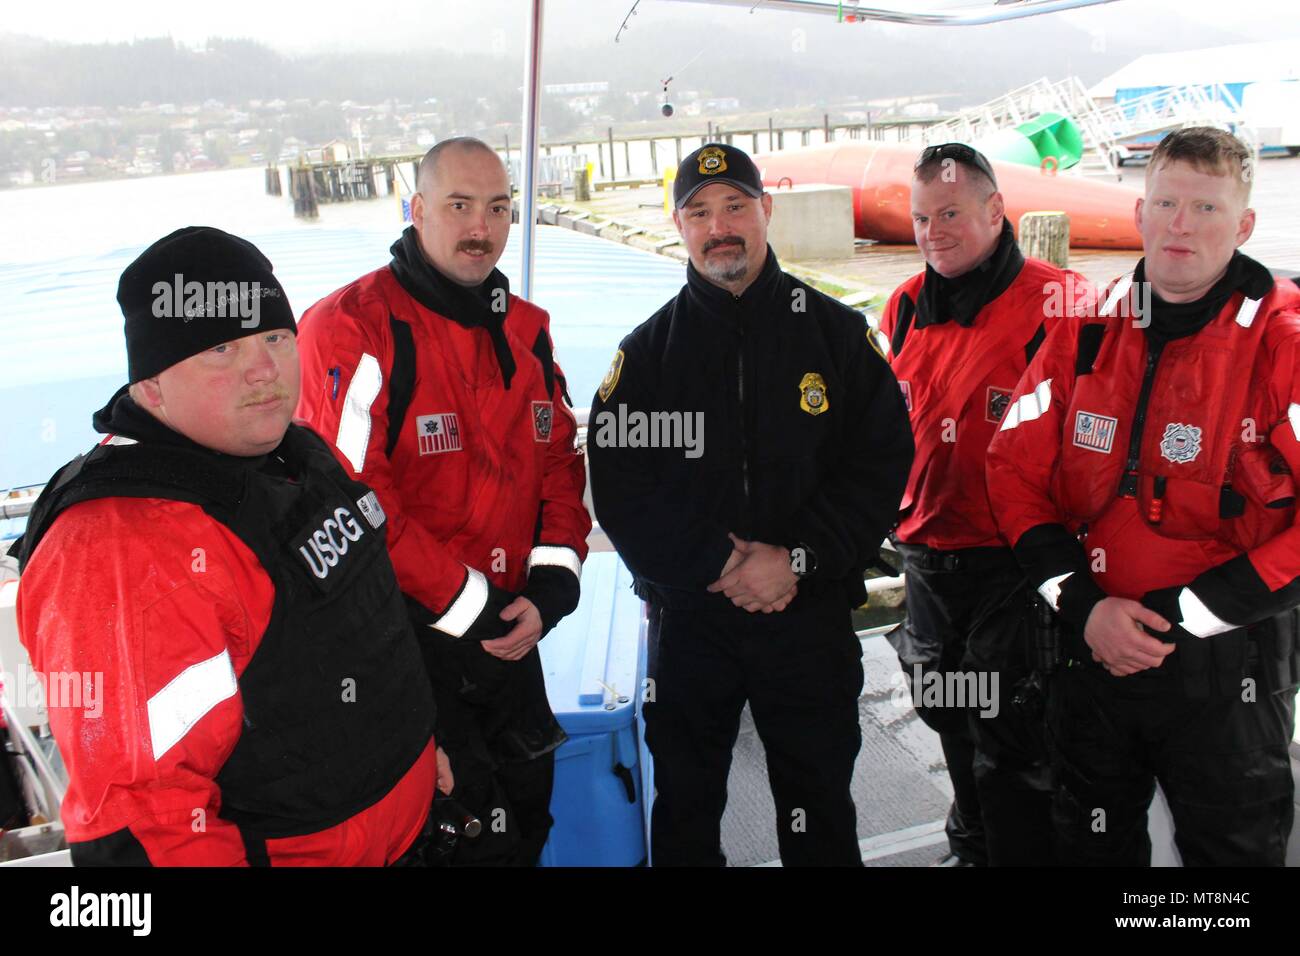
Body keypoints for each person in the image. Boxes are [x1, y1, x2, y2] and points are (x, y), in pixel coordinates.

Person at [15, 226, 447, 865]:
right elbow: (145, 825)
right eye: (222, 347)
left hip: (410, 833)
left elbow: (353, 626)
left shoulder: (294, 452)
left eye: (275, 336)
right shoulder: (124, 547)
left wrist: (415, 755)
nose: (266, 370)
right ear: (152, 383)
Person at [588, 142, 913, 866]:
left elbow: (880, 465)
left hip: (810, 616)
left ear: (766, 210)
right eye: (700, 212)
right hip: (693, 621)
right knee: (688, 807)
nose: (720, 226)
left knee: (819, 804)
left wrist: (795, 558)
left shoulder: (838, 337)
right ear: (679, 225)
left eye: (735, 205)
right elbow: (622, 490)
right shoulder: (644, 358)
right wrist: (719, 563)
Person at [987, 126, 1300, 866]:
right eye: (1166, 202)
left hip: (1230, 674)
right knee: (1091, 842)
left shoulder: (1285, 346)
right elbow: (1011, 473)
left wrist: (1175, 619)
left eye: (1206, 208)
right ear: (1139, 213)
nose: (1181, 225)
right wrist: (1085, 607)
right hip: (1088, 654)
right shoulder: (1084, 330)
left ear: (1245, 224)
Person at [295, 137, 590, 866]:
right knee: (450, 844)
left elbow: (557, 459)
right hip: (406, 651)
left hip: (511, 638)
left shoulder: (528, 330)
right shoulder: (350, 328)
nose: (480, 228)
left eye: (497, 208)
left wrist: (552, 587)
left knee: (529, 821)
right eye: (459, 206)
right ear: (417, 209)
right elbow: (357, 500)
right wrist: (471, 603)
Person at [878, 143, 1094, 866]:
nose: (931, 231)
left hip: (1016, 564)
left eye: (948, 214)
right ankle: (972, 845)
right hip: (928, 557)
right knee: (945, 709)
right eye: (918, 219)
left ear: (996, 210)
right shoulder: (904, 306)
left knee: (1012, 733)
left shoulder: (1065, 302)